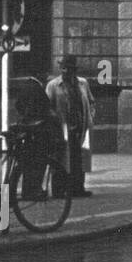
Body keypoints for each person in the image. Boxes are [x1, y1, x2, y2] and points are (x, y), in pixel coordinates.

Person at [45, 55, 95, 196]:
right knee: (61, 160)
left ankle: (78, 189)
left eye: (69, 69)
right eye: (63, 68)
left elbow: (91, 102)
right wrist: (54, 122)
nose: (65, 71)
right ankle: (58, 191)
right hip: (62, 128)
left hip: (81, 126)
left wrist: (90, 118)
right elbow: (48, 107)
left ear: (74, 70)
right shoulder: (53, 85)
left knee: (79, 159)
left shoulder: (83, 83)